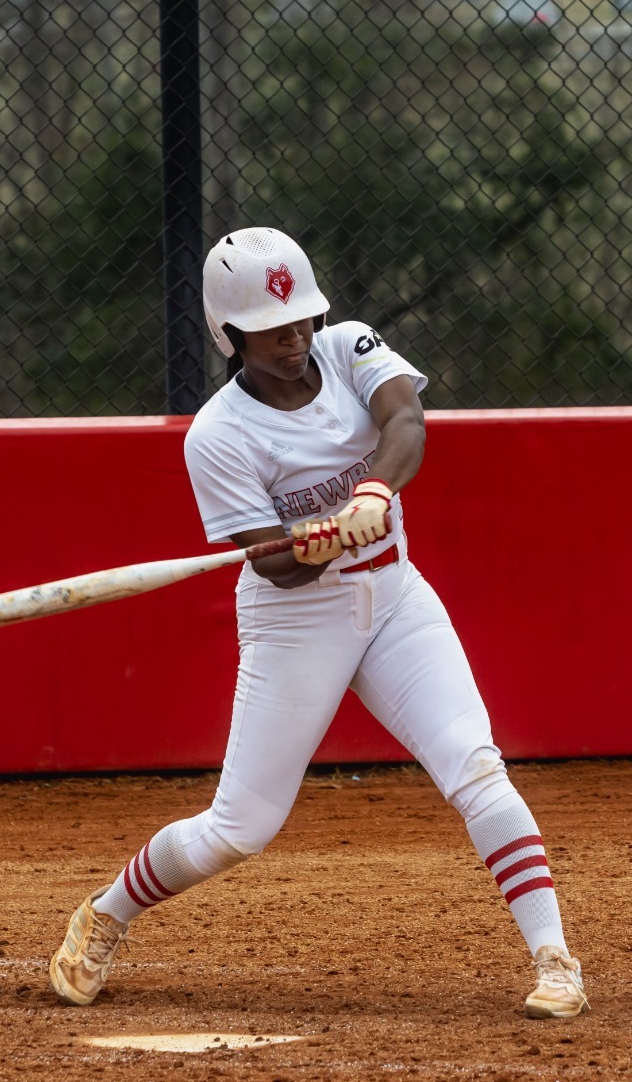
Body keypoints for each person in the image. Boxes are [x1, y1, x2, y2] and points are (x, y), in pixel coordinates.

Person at [47, 227, 588, 1019]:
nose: (295, 340)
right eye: (273, 332)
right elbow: (274, 563)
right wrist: (327, 538)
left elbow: (406, 423)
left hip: (396, 597)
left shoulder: (348, 347)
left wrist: (369, 496)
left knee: (476, 766)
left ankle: (554, 959)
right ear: (230, 337)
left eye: (302, 320)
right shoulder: (219, 435)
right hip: (298, 619)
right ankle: (107, 911)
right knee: (239, 829)